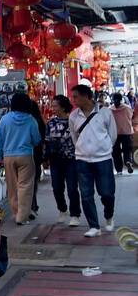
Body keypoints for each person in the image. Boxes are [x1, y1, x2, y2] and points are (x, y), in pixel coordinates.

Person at [70, 84, 119, 238]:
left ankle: (109, 216)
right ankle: (94, 226)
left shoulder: (105, 112)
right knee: (86, 194)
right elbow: (74, 137)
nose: (74, 100)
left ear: (86, 96)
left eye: (76, 96)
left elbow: (113, 134)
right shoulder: (73, 116)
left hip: (103, 158)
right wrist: (82, 149)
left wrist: (104, 148)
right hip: (82, 159)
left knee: (106, 192)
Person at [0, 93, 43, 225]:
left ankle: (16, 213)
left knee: (12, 186)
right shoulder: (31, 120)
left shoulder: (4, 119)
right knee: (25, 186)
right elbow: (37, 139)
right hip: (26, 155)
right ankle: (22, 216)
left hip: (8, 156)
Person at [44, 95, 81, 226]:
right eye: (52, 105)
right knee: (57, 187)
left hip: (72, 159)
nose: (53, 108)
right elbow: (47, 141)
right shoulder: (51, 123)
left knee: (72, 188)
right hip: (55, 160)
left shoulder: (74, 121)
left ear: (63, 106)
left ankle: (75, 214)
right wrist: (46, 158)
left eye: (55, 106)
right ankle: (62, 209)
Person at [110, 93, 134, 175]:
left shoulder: (110, 109)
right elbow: (131, 117)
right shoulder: (127, 108)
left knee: (116, 152)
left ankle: (119, 170)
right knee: (127, 149)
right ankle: (128, 161)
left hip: (114, 132)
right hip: (126, 131)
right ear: (121, 99)